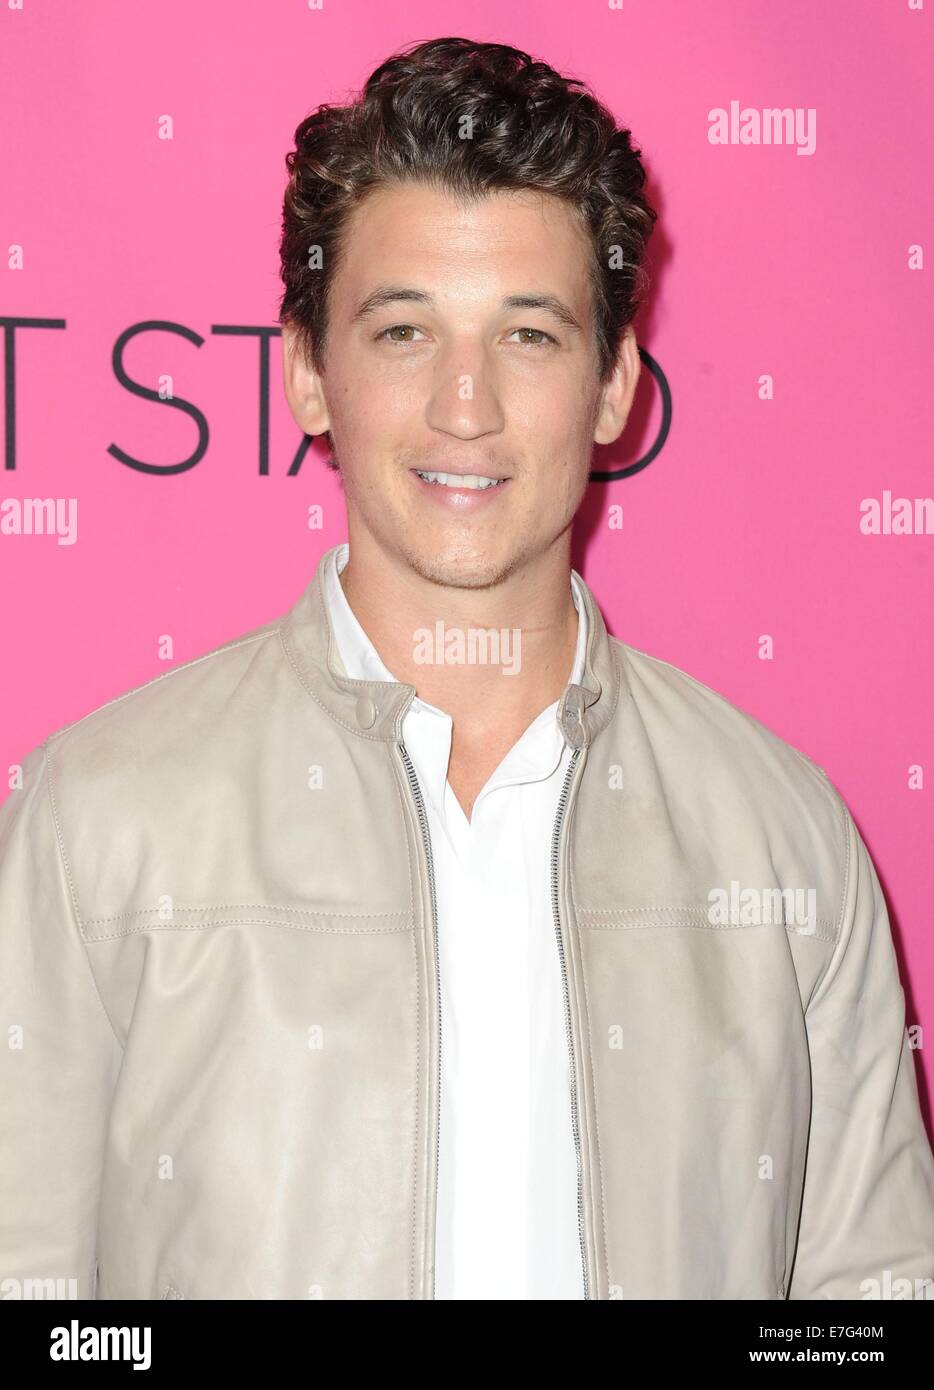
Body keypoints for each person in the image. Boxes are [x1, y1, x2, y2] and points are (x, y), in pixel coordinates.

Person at [1, 36, 932, 1302]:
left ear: (613, 387)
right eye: (401, 331)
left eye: (530, 336)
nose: (464, 405)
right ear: (307, 374)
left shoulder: (782, 839)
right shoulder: (95, 821)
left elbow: (869, 1307)